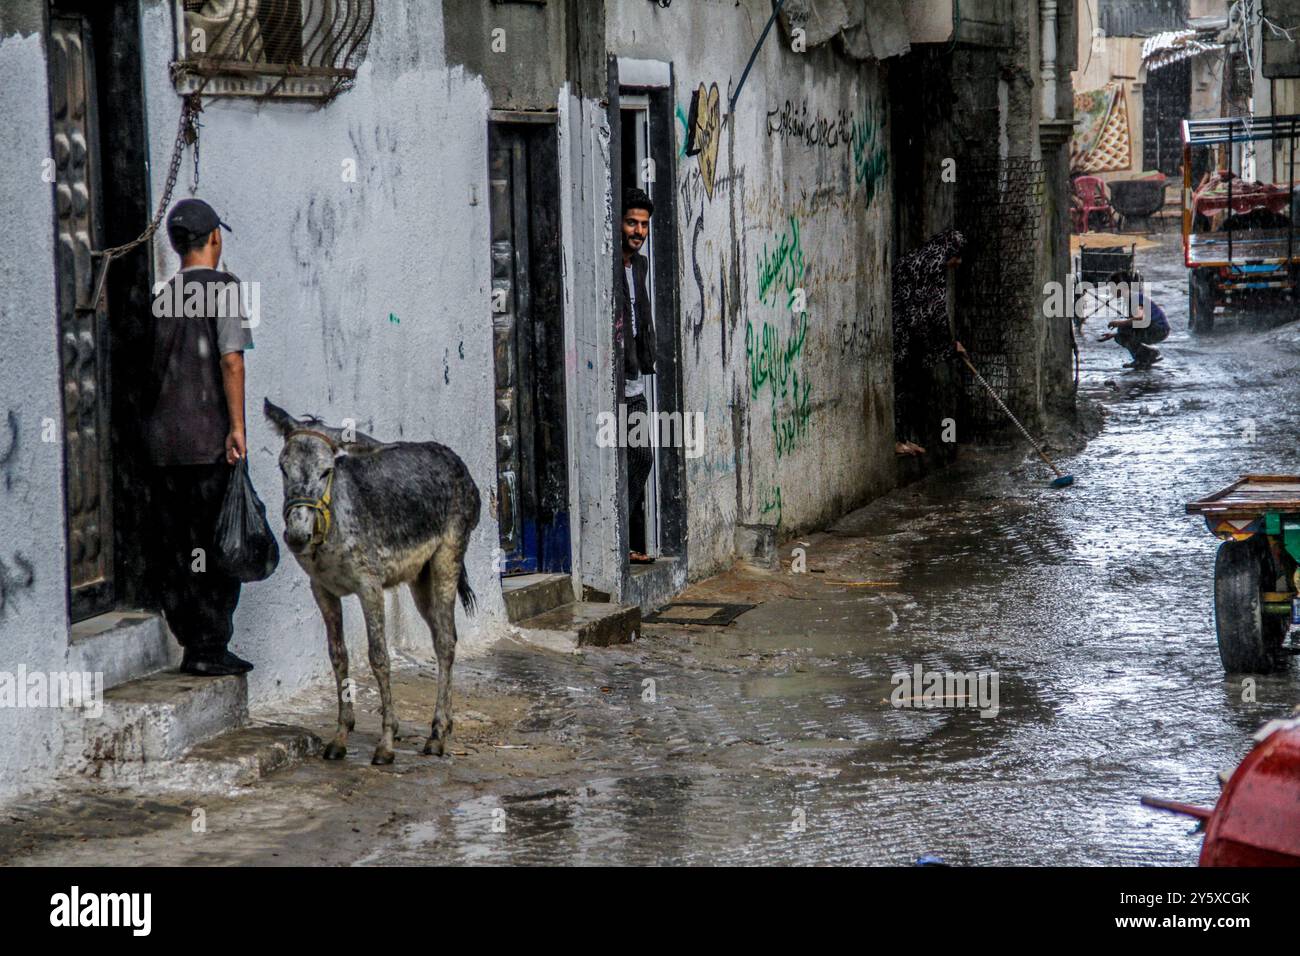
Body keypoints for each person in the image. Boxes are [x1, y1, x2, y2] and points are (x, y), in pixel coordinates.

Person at [144, 198, 255, 676]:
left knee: (183, 547)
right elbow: (231, 359)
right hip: (209, 442)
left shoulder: (161, 297)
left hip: (165, 447)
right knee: (217, 548)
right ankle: (210, 647)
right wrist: (237, 428)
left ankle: (192, 641)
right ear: (215, 238)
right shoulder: (224, 291)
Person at [891, 229, 966, 456]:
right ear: (950, 251)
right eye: (958, 256)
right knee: (904, 384)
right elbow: (935, 313)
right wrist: (951, 345)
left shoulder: (922, 256)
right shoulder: (933, 265)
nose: (958, 262)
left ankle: (903, 438)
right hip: (904, 331)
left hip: (909, 329)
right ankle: (898, 441)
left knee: (910, 384)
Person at [619, 189, 658, 563]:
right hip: (613, 384)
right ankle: (618, 544)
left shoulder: (641, 266)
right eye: (632, 222)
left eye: (643, 224)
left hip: (635, 381)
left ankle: (621, 538)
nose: (638, 231)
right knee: (625, 456)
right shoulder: (609, 264)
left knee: (642, 457)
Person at [1098, 268, 1168, 369]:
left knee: (1123, 330)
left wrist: (1119, 323)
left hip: (1158, 329)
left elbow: (1140, 317)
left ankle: (1146, 356)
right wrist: (1113, 335)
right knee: (1121, 333)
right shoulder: (1131, 297)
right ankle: (1145, 357)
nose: (1110, 291)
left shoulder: (1133, 297)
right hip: (1157, 328)